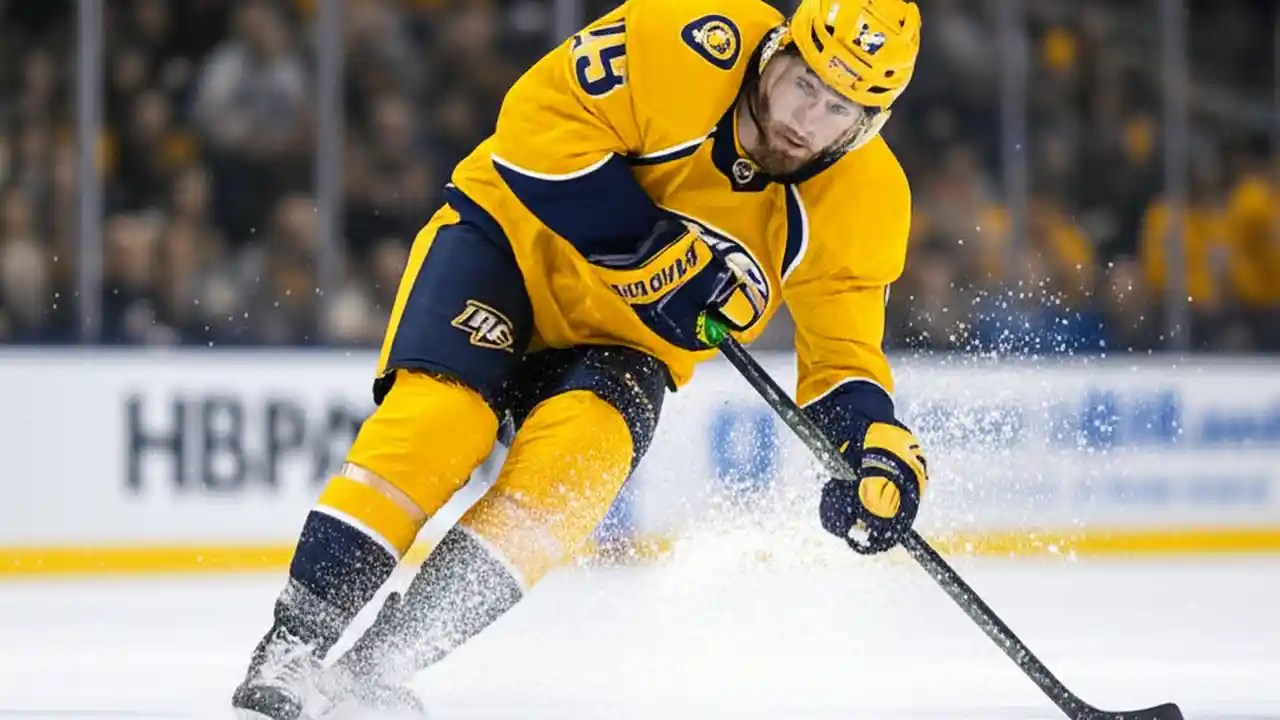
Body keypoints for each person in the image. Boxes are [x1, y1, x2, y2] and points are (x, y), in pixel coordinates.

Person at [232, 0, 929, 717]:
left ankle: (380, 667)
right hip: (509, 247)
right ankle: (295, 643)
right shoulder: (690, 38)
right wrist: (652, 250)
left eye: (837, 108)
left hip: (625, 344)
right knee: (440, 422)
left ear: (868, 123)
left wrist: (871, 445)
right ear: (777, 50)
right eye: (803, 83)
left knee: (575, 474)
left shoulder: (863, 201)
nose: (804, 119)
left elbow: (842, 356)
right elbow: (534, 127)